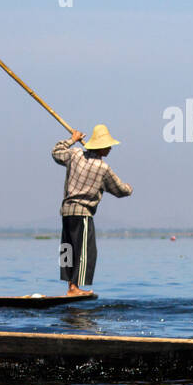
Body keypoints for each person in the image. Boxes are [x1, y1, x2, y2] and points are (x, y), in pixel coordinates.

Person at [52, 124, 132, 295]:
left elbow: (56, 152)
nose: (110, 148)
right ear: (101, 148)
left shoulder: (75, 154)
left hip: (67, 212)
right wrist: (129, 188)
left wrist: (71, 140)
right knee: (85, 251)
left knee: (67, 248)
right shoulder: (103, 169)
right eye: (108, 146)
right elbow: (120, 190)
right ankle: (74, 287)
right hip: (83, 214)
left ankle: (70, 286)